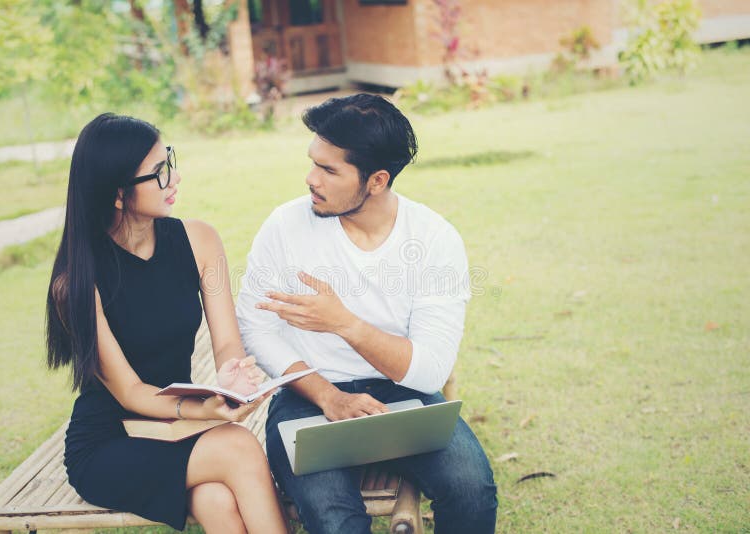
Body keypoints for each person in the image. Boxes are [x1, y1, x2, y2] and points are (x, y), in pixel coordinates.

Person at [236, 94, 498, 534]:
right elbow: (255, 325)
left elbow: (431, 371)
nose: (310, 178)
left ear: (377, 180)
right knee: (335, 521)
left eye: (329, 170)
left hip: (402, 397)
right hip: (307, 399)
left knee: (472, 490)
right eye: (313, 162)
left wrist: (345, 324)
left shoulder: (434, 239)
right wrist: (327, 396)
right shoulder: (285, 226)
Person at [45, 113, 287, 534]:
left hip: (175, 428)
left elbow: (227, 341)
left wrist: (231, 375)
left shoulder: (200, 241)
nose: (174, 179)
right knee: (239, 447)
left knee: (217, 500)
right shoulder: (76, 284)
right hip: (111, 441)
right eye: (158, 173)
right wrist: (201, 410)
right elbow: (131, 391)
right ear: (118, 194)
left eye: (169, 161)